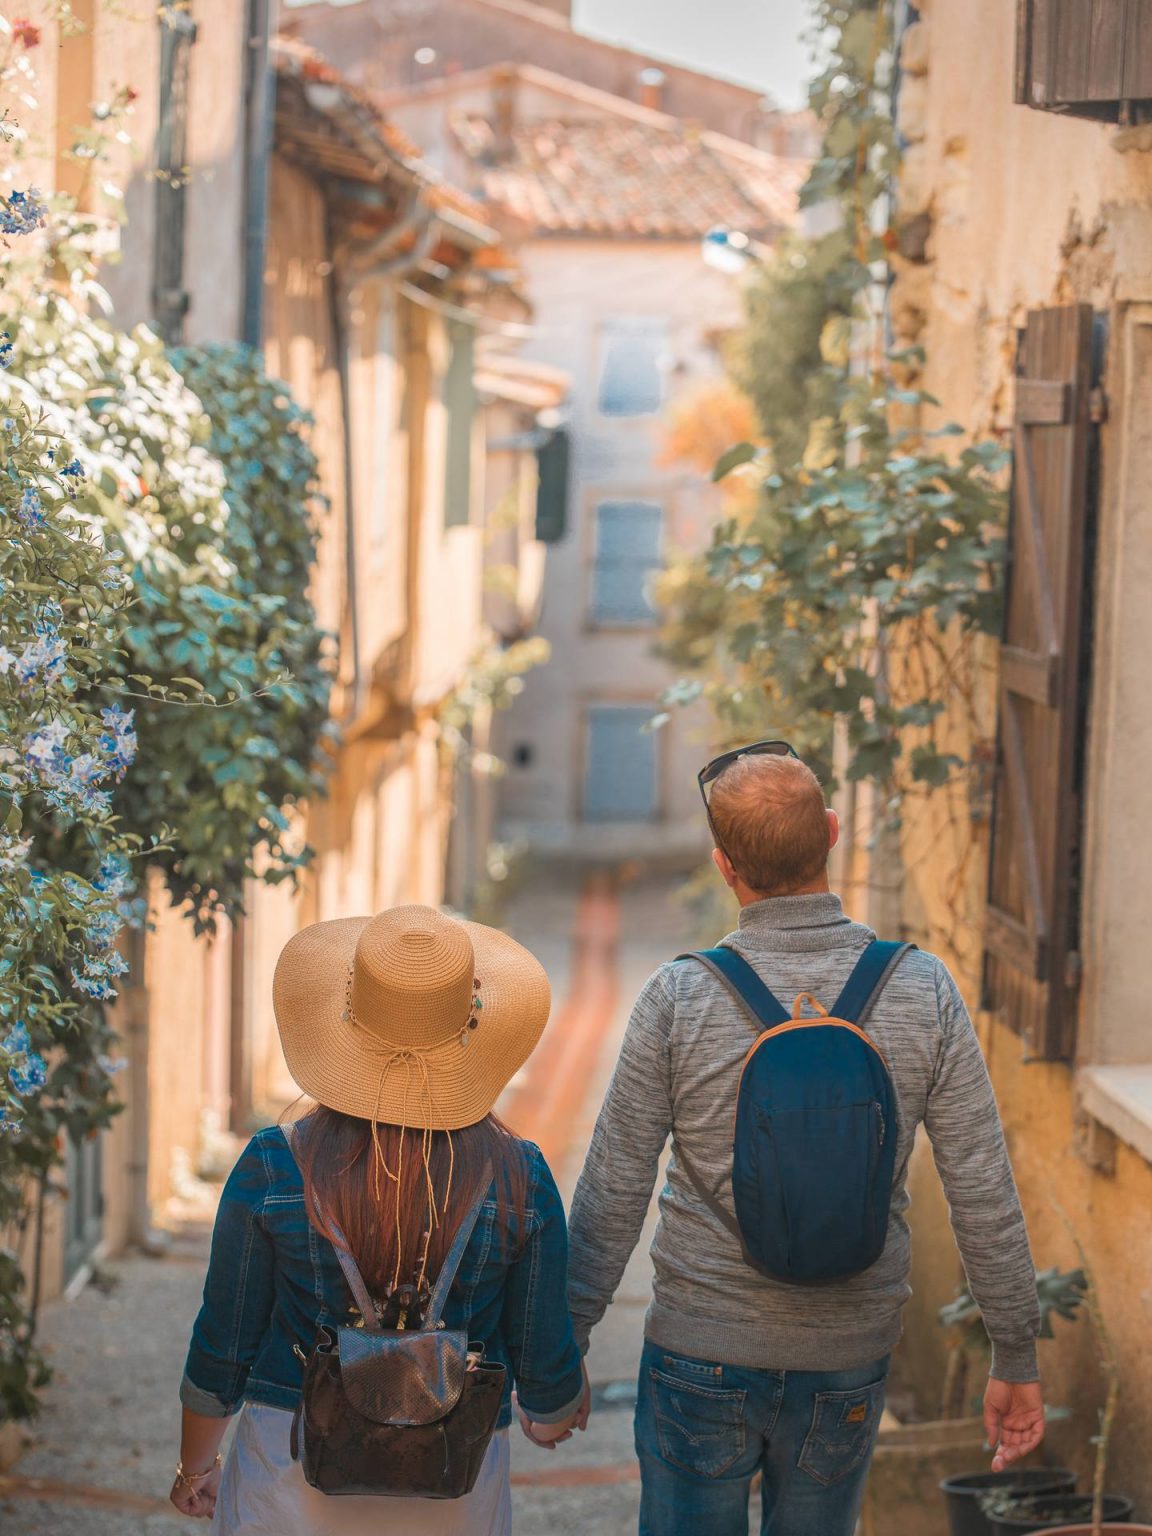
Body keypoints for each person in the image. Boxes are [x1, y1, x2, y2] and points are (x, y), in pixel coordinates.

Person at [567, 742, 1044, 1536]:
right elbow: (981, 1186)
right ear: (829, 832)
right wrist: (1016, 1356)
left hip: (700, 1349)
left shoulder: (679, 996)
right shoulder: (920, 988)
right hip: (846, 1359)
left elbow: (615, 1184)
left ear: (724, 866)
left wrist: (564, 1350)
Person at [170, 903, 588, 1533]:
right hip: (456, 1487)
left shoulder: (275, 1166)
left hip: (288, 1477)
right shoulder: (518, 1175)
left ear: (348, 1023)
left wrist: (194, 1466)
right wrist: (552, 1412)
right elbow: (548, 1382)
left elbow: (221, 1350)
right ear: (472, 1028)